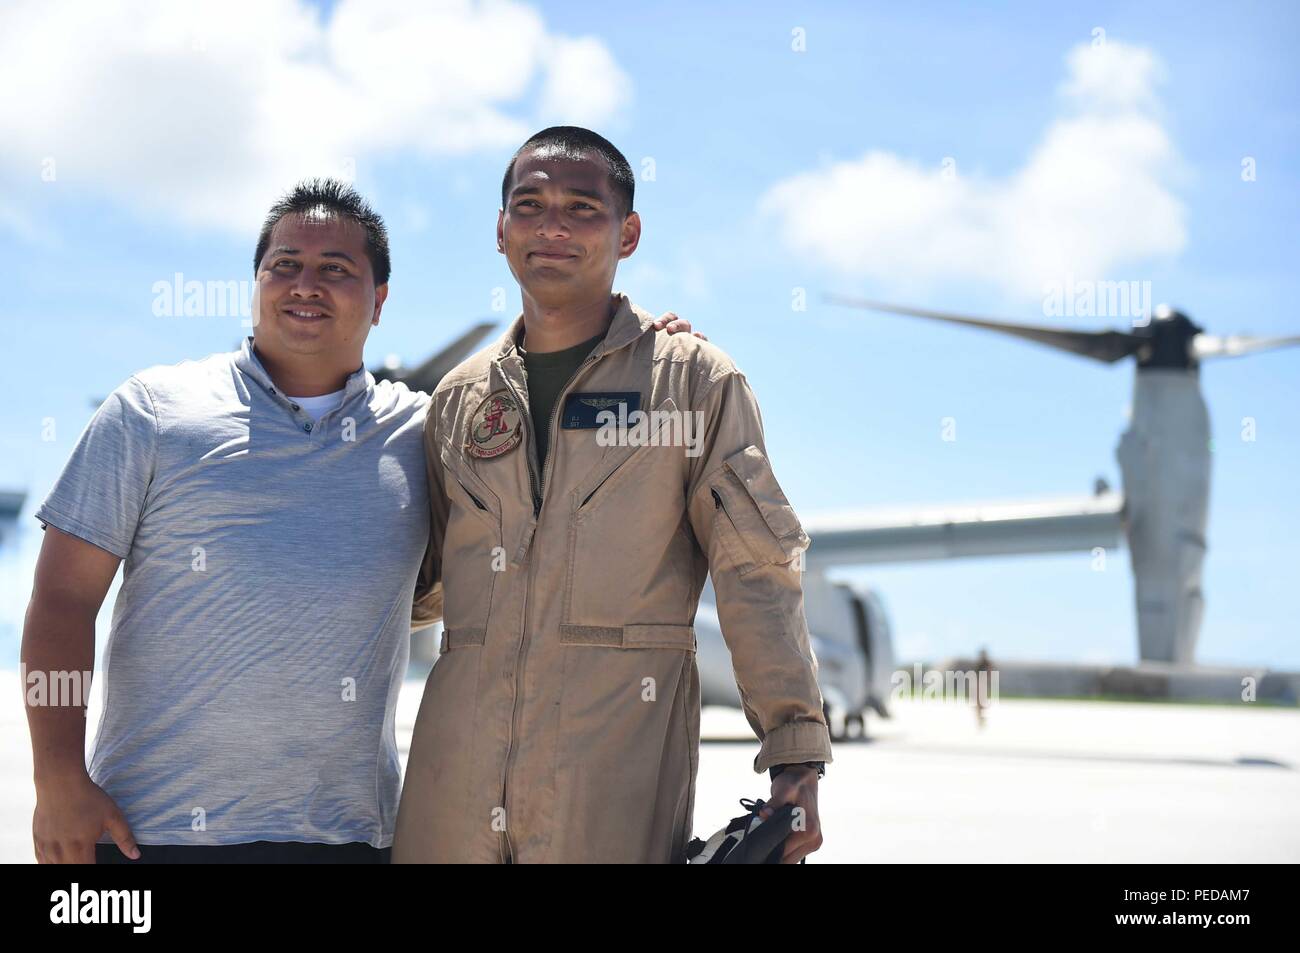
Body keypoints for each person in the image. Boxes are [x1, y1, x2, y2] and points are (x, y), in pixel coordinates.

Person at [22, 178, 696, 864]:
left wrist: (639, 351)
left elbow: (557, 414)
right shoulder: (152, 412)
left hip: (348, 840)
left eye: (335, 269)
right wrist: (57, 778)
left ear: (378, 302)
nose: (304, 284)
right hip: (151, 834)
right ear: (256, 283)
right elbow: (63, 599)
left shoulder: (428, 429)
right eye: (283, 265)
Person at [394, 127, 832, 864]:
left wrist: (795, 749)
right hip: (451, 794)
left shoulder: (691, 384)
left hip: (610, 792)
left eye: (582, 208)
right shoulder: (458, 402)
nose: (553, 226)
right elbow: (420, 583)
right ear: (501, 230)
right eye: (529, 205)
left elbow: (756, 566)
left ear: (627, 233)